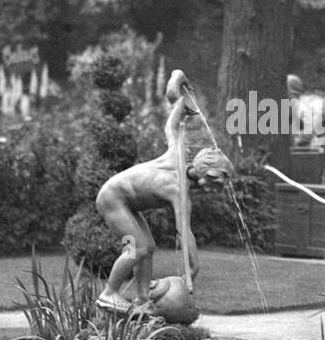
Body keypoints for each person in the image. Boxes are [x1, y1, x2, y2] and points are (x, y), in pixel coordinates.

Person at [95, 70, 232, 314]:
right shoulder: (178, 191)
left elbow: (172, 127)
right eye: (217, 183)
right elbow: (183, 231)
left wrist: (179, 98)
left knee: (147, 247)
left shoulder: (178, 157)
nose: (217, 189)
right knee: (134, 247)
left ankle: (141, 299)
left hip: (126, 203)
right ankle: (109, 293)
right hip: (112, 198)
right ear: (207, 174)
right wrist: (194, 265)